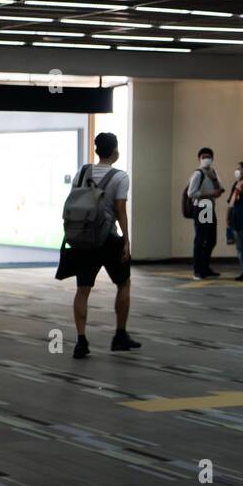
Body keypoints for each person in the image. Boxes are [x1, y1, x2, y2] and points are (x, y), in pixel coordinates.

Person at [71, 132, 141, 359]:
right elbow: (120, 209)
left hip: (83, 239)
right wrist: (126, 240)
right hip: (108, 238)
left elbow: (74, 200)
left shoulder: (82, 172)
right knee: (124, 284)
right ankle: (120, 335)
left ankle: (81, 342)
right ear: (115, 151)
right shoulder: (120, 177)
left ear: (97, 150)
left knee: (83, 290)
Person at [187, 146, 223, 278]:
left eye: (209, 157)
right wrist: (210, 194)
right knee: (201, 238)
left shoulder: (213, 173)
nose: (207, 159)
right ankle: (198, 270)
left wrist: (214, 180)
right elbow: (191, 193)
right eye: (204, 157)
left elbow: (220, 190)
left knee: (211, 239)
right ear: (199, 159)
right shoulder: (198, 173)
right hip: (202, 207)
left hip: (209, 207)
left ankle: (205, 267)